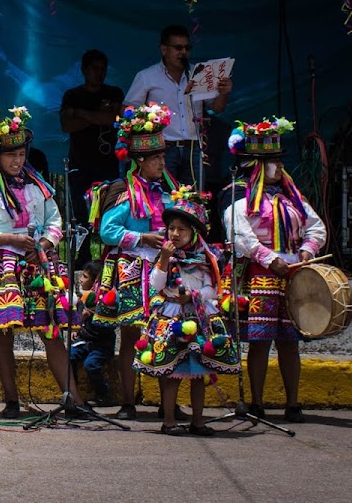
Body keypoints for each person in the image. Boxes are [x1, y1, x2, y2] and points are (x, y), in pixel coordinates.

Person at [0, 105, 87, 419]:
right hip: (3, 268)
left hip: (39, 265)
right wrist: (9, 239)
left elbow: (56, 222)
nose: (17, 160)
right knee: (4, 332)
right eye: (10, 155)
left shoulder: (38, 186)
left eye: (20, 154)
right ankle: (12, 401)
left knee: (52, 331)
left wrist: (43, 243)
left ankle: (74, 399)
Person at [222, 117, 325, 423]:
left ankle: (293, 403)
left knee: (290, 342)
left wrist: (305, 252)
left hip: (294, 274)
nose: (279, 167)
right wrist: (269, 259)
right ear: (257, 166)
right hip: (261, 277)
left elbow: (316, 228)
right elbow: (240, 235)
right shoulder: (241, 205)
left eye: (280, 162)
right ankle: (256, 402)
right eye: (272, 162)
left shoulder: (295, 201)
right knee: (260, 341)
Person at [92, 102, 179, 420]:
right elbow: (107, 231)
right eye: (155, 158)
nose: (161, 162)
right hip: (132, 270)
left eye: (162, 157)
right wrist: (142, 238)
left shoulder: (170, 195)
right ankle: (128, 401)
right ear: (140, 161)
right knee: (130, 335)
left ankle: (167, 403)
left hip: (166, 267)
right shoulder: (126, 194)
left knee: (168, 332)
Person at [134, 187, 240, 435]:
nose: (175, 233)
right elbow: (156, 285)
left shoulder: (207, 257)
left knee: (199, 372)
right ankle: (169, 420)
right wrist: (162, 259)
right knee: (171, 373)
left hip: (200, 317)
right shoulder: (164, 258)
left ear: (193, 232)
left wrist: (192, 297)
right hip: (170, 317)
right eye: (172, 228)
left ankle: (198, 421)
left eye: (181, 229)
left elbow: (212, 288)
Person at [125, 25, 233, 185]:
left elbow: (217, 108)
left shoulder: (199, 74)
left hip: (194, 148)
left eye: (187, 48)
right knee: (163, 196)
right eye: (178, 47)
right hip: (162, 149)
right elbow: (128, 109)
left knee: (194, 197)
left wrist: (224, 91)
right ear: (164, 49)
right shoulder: (147, 76)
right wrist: (148, 117)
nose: (183, 52)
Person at [60, 49, 125, 225]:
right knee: (80, 214)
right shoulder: (72, 96)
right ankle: (83, 252)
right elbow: (67, 126)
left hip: (108, 164)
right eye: (95, 69)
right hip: (80, 163)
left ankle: (109, 251)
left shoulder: (114, 93)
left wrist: (81, 114)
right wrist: (98, 116)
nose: (100, 74)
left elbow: (113, 119)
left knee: (111, 211)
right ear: (84, 70)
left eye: (103, 69)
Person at [70, 261, 115, 407]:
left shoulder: (105, 302)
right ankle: (72, 393)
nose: (81, 280)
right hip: (84, 341)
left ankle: (103, 394)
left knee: (91, 365)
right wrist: (77, 328)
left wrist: (95, 315)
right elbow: (78, 322)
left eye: (85, 277)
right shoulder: (82, 300)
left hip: (101, 343)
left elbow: (107, 328)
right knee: (68, 357)